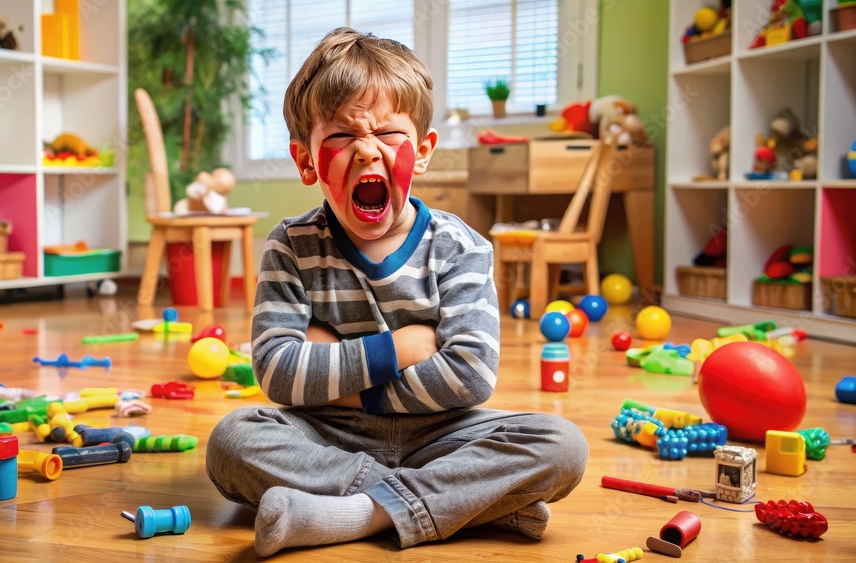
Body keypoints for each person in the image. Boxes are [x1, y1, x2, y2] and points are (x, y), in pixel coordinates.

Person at [206, 27, 588, 557]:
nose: (367, 151)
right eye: (340, 137)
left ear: (424, 151)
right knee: (232, 442)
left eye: (388, 134)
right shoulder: (289, 246)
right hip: (328, 434)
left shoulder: (461, 247)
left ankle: (353, 513)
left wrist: (329, 367)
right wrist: (402, 349)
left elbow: (471, 376)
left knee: (562, 445)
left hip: (442, 432)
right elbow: (275, 371)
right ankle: (470, 501)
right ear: (306, 161)